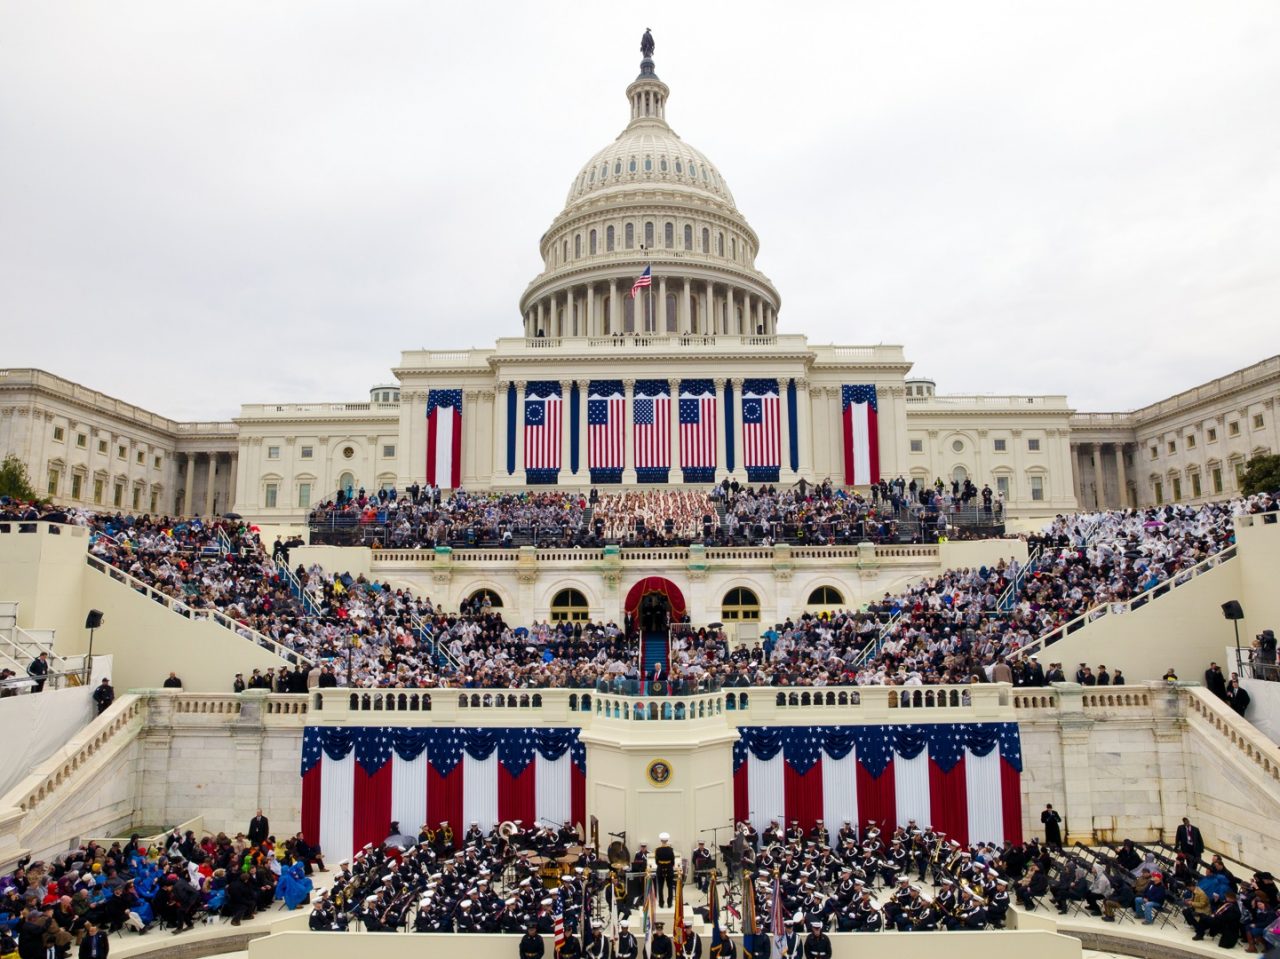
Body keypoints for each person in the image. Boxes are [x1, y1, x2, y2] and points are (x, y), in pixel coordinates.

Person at [654, 834, 676, 908]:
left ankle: (661, 903)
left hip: (660, 869)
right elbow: (673, 861)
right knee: (670, 887)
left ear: (661, 840)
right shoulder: (670, 849)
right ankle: (669, 903)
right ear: (667, 840)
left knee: (660, 887)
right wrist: (669, 865)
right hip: (669, 869)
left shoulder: (657, 850)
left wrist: (661, 864)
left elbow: (656, 861)